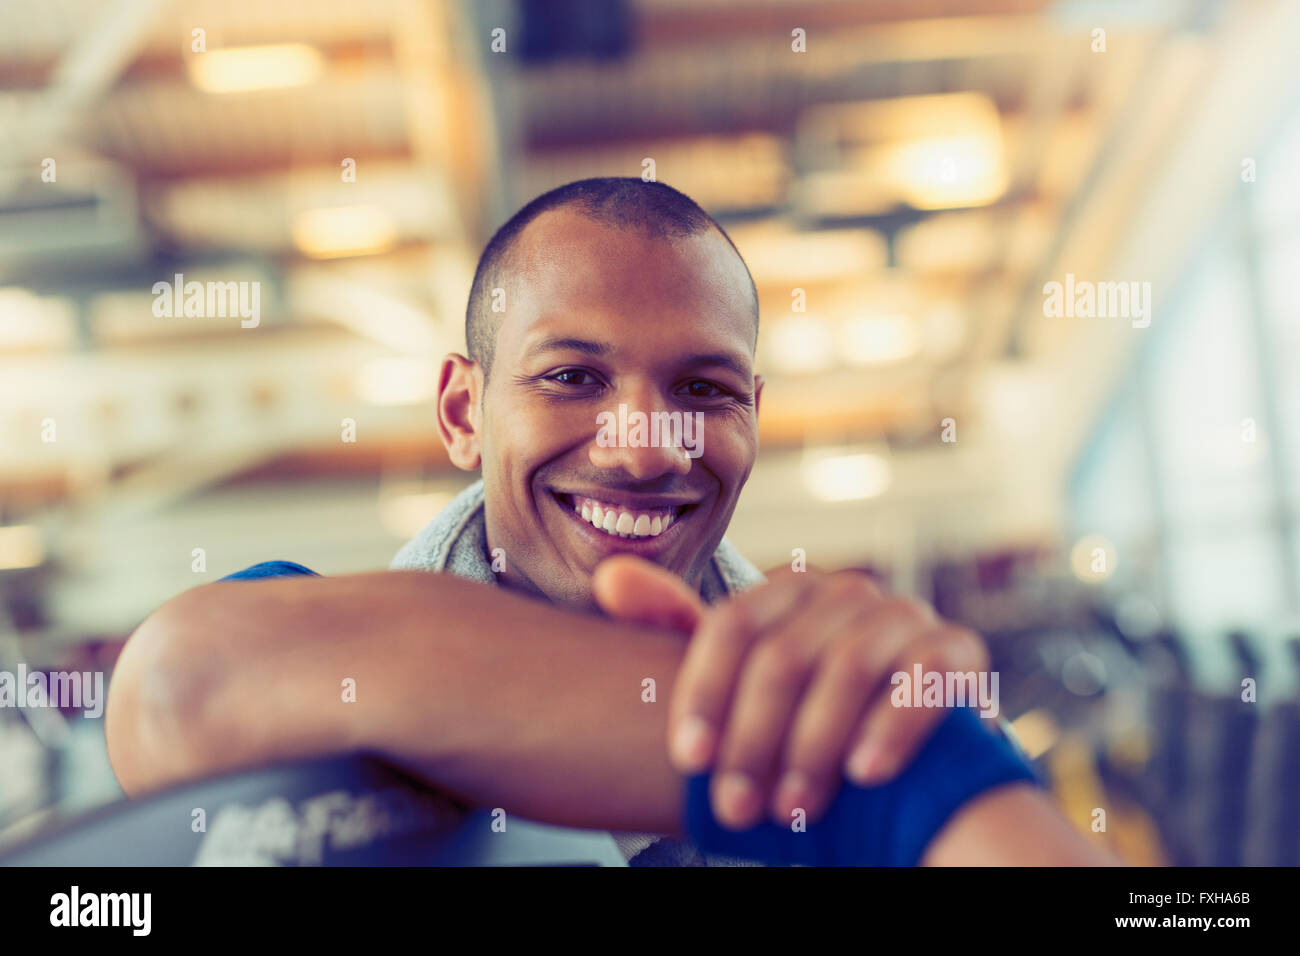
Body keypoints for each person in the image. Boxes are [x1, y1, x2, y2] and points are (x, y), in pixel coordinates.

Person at [105, 178, 1114, 866]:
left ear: (751, 418)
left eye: (703, 388)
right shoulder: (305, 674)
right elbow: (181, 686)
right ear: (463, 411)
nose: (642, 445)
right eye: (573, 377)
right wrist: (886, 782)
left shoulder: (876, 704)